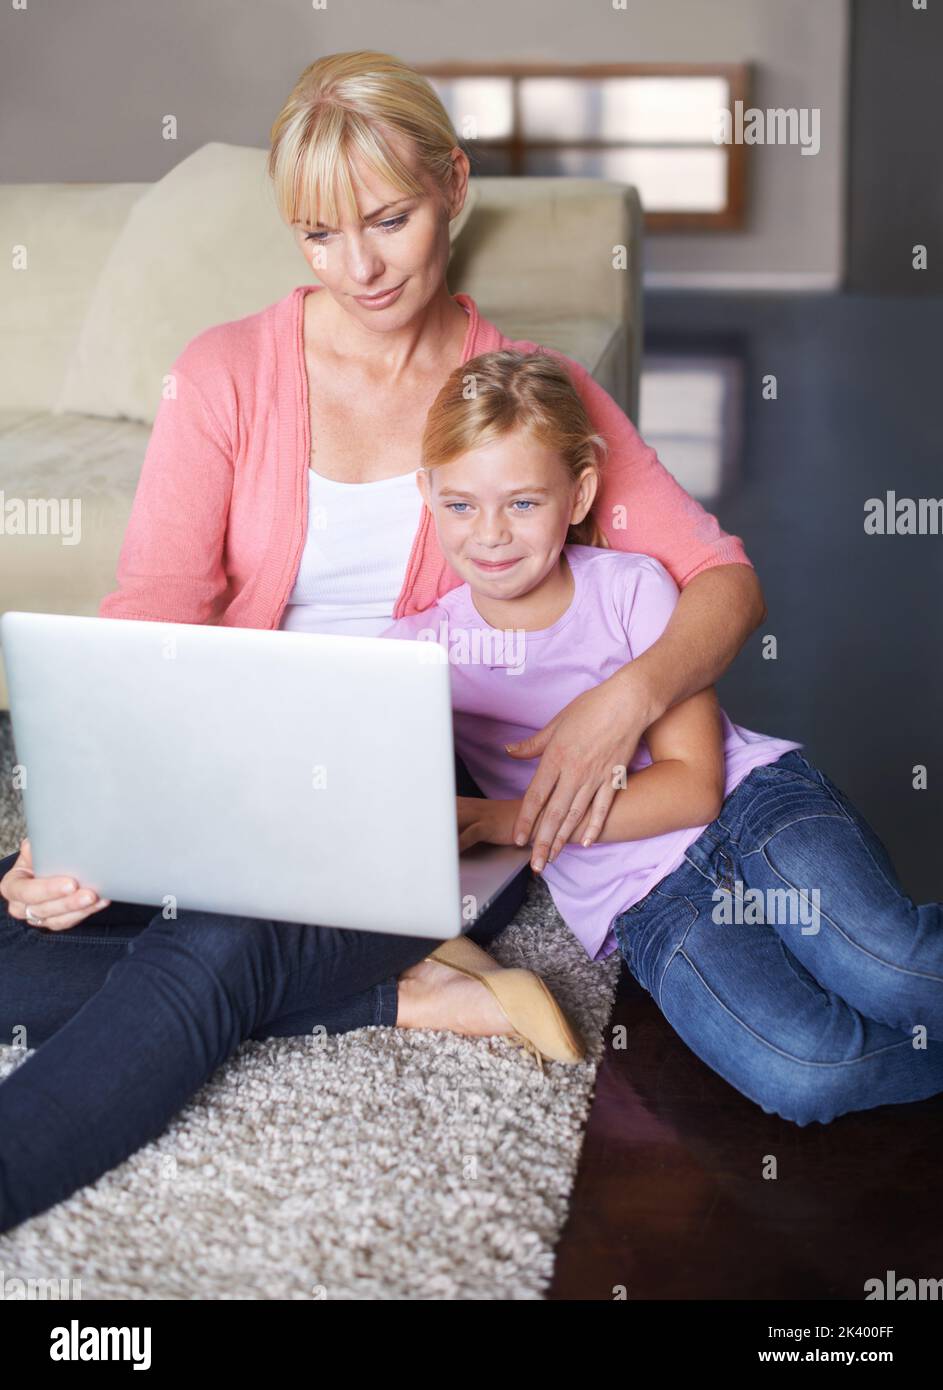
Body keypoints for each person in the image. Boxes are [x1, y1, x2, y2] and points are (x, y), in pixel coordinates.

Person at [0, 50, 764, 1233]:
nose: (356, 266)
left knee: (215, 944)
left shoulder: (522, 394)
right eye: (317, 234)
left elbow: (721, 579)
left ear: (453, 185)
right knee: (18, 933)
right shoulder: (223, 374)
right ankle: (396, 1000)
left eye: (389, 220)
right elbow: (151, 609)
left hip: (411, 796)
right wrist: (81, 821)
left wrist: (625, 700)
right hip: (227, 761)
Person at [378, 346, 943, 1128]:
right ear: (426, 496)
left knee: (889, 967)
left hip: (753, 812)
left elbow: (692, 788)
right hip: (641, 900)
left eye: (523, 504)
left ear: (578, 494)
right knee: (805, 1070)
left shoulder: (631, 589)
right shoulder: (414, 653)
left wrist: (500, 821)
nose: (491, 536)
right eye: (461, 505)